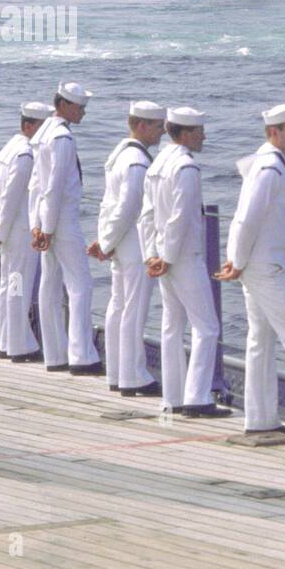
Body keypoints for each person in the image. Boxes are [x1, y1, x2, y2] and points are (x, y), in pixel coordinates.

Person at [214, 103, 285, 439]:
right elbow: (246, 218)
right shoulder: (268, 169)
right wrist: (237, 261)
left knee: (260, 339)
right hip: (264, 267)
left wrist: (239, 261)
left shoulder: (270, 165)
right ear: (272, 132)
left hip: (257, 265)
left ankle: (260, 418)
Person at [142, 107, 230, 417]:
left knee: (172, 325)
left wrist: (151, 254)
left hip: (164, 258)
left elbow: (148, 215)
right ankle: (197, 398)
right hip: (184, 257)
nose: (204, 136)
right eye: (199, 131)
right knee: (206, 327)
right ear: (186, 133)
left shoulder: (159, 164)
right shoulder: (186, 168)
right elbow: (180, 217)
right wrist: (165, 257)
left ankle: (174, 396)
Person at [88, 101, 165, 395]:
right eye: (158, 126)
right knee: (133, 308)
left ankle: (118, 372)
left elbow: (109, 207)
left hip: (121, 243)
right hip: (135, 244)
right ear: (142, 126)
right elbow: (128, 207)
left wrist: (105, 240)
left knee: (119, 306)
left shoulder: (122, 156)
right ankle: (133, 376)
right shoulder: (137, 162)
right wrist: (106, 243)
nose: (161, 132)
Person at [30, 82, 101, 374]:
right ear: (64, 106)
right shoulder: (61, 137)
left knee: (49, 286)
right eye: (79, 107)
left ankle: (55, 354)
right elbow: (55, 185)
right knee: (80, 285)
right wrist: (46, 228)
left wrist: (36, 224)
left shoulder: (44, 132)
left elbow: (37, 186)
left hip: (48, 218)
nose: (83, 112)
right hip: (62, 219)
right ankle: (81, 356)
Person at [0, 101, 51, 362]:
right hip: (20, 229)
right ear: (28, 126)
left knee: (9, 286)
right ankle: (19, 345)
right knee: (18, 287)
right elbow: (11, 197)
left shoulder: (11, 148)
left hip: (10, 228)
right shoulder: (26, 155)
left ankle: (8, 340)